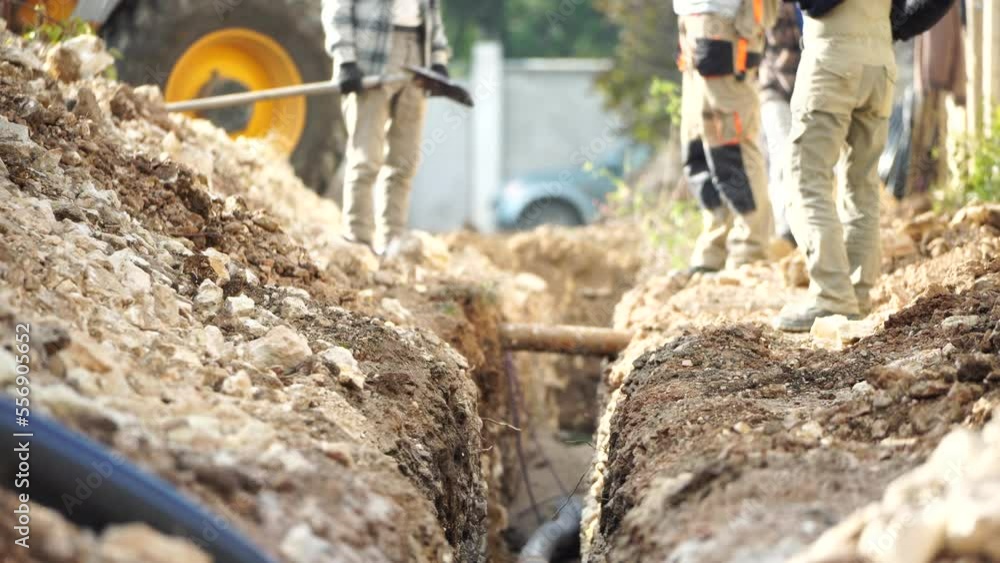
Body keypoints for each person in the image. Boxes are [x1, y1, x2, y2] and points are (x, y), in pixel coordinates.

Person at [774, 0, 956, 332]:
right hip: (879, 62)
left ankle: (832, 297)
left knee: (806, 177)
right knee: (862, 180)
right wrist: (897, 26)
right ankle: (856, 295)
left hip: (833, 57)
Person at [322, 0, 451, 254]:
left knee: (405, 161)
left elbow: (432, 13)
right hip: (371, 57)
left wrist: (438, 59)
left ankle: (393, 242)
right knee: (366, 158)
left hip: (416, 52)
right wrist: (346, 60)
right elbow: (337, 8)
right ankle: (358, 240)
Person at [677, 0, 778, 275]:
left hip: (725, 24)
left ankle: (749, 250)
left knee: (731, 146)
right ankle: (714, 247)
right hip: (692, 21)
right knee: (696, 146)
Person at [759, 3, 802, 246]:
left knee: (809, 156)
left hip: (811, 85)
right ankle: (786, 228)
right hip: (773, 86)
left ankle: (807, 224)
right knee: (782, 153)